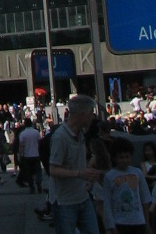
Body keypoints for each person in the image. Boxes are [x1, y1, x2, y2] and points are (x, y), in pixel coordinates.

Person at [46, 95, 101, 234]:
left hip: (82, 196)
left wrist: (87, 171)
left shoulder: (81, 133)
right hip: (64, 201)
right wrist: (80, 173)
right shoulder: (60, 137)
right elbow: (53, 170)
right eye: (90, 113)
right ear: (82, 115)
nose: (92, 117)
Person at [102, 140, 151, 234]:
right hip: (120, 222)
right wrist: (111, 226)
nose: (125, 160)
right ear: (115, 158)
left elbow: (145, 199)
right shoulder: (109, 176)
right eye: (121, 157)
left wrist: (147, 223)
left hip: (138, 221)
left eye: (127, 157)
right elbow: (107, 203)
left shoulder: (138, 173)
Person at [18, 119, 42, 193]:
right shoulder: (36, 132)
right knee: (38, 171)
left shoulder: (23, 134)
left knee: (29, 172)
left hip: (27, 155)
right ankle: (38, 183)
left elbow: (21, 146)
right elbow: (40, 142)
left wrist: (20, 155)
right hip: (36, 154)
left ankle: (32, 187)